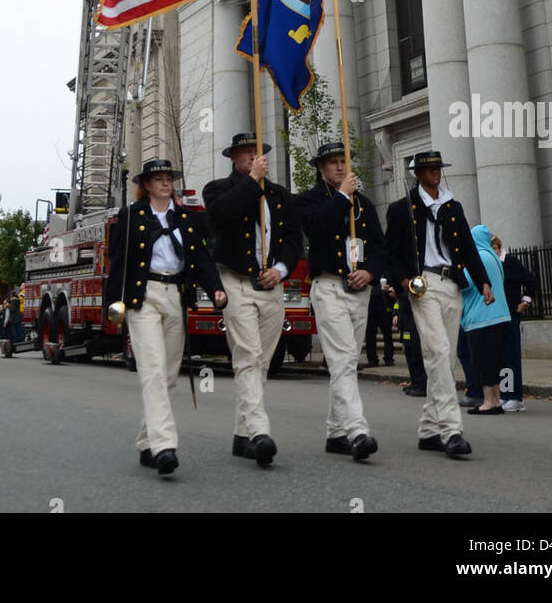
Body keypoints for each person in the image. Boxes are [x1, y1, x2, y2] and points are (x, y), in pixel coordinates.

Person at [107, 157, 227, 476]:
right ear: (145, 185)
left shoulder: (187, 218)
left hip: (175, 296)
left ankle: (147, 441)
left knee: (169, 374)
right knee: (153, 371)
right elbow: (117, 263)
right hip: (143, 297)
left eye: (168, 177)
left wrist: (215, 289)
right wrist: (114, 307)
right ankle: (165, 447)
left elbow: (201, 258)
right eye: (157, 178)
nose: (164, 182)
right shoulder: (130, 216)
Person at [202, 132, 303, 466]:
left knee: (260, 362)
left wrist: (282, 269)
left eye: (256, 153)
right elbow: (221, 217)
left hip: (270, 284)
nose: (252, 158)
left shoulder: (280, 195)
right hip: (236, 281)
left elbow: (291, 239)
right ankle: (260, 431)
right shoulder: (219, 189)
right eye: (246, 154)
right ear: (234, 158)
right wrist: (253, 182)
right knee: (247, 355)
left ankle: (242, 434)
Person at [384, 150, 492, 458]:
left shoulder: (452, 206)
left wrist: (483, 280)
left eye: (437, 168)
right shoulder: (402, 208)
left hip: (451, 284)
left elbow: (469, 247)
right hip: (423, 286)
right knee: (439, 351)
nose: (435, 173)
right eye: (429, 168)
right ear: (417, 173)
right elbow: (390, 252)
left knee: (445, 360)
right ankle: (451, 430)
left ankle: (428, 429)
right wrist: (403, 281)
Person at [295, 140, 385, 460]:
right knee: (344, 357)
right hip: (328, 286)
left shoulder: (364, 204)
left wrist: (370, 272)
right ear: (321, 167)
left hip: (358, 290)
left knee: (345, 360)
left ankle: (335, 431)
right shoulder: (309, 200)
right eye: (332, 162)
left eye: (343, 161)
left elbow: (378, 246)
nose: (339, 167)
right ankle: (357, 431)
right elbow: (317, 229)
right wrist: (343, 196)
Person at [460, 225, 511, 414]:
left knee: (481, 361)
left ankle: (488, 401)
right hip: (500, 315)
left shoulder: (478, 258)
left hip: (481, 317)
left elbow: (464, 285)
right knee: (495, 360)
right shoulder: (494, 257)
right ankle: (496, 400)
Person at [490, 233, 538, 411]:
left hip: (510, 314)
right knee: (502, 356)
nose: (492, 252)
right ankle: (506, 393)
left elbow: (531, 280)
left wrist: (525, 301)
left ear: (499, 247)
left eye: (494, 248)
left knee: (511, 356)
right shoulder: (492, 265)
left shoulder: (509, 262)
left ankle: (516, 397)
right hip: (499, 315)